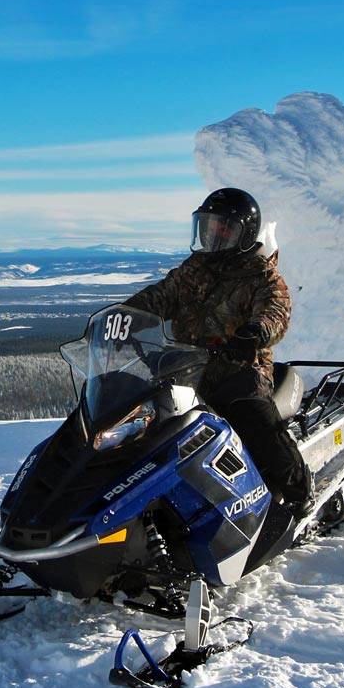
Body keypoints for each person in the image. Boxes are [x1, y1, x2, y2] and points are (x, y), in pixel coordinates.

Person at [126, 187, 311, 512]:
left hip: (240, 370)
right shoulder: (193, 270)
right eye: (209, 226)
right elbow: (159, 296)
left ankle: (298, 492)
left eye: (223, 227)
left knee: (255, 419)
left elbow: (276, 311)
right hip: (188, 370)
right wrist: (126, 315)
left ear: (244, 232)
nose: (214, 233)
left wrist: (254, 333)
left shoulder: (261, 275)